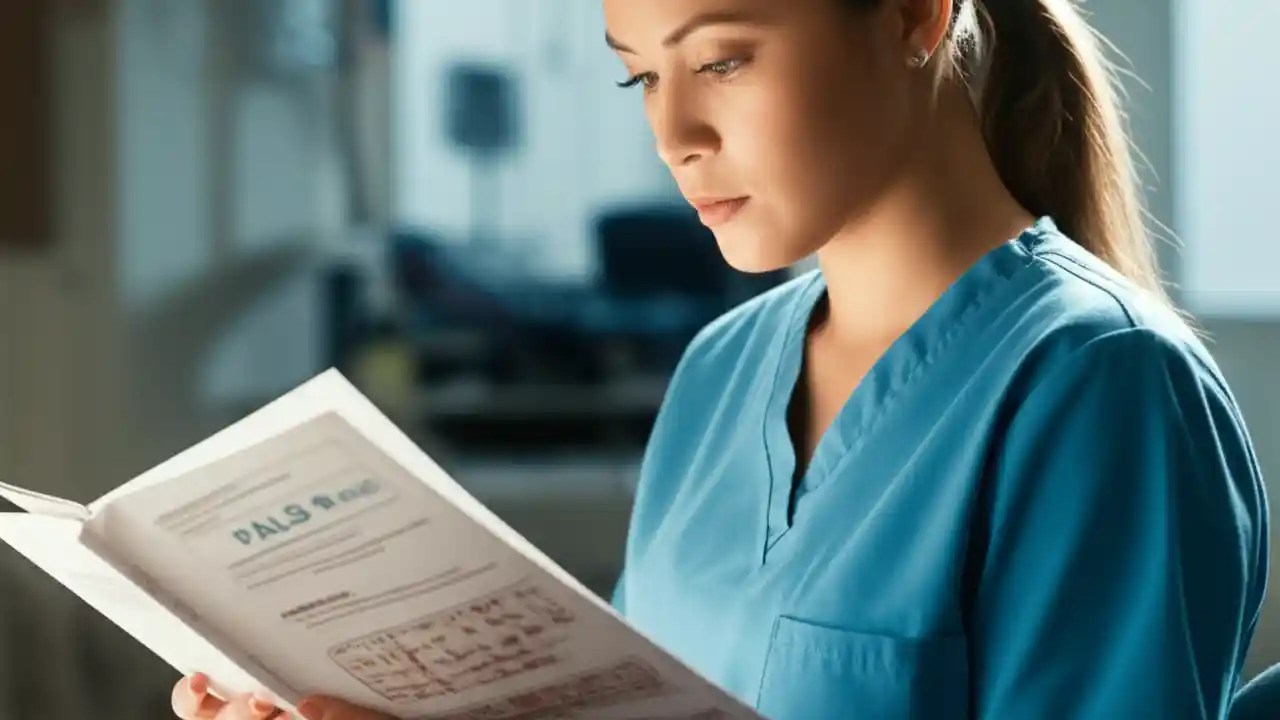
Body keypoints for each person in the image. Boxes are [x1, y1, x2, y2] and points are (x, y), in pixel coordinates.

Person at [171, 0, 1270, 718]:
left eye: (723, 59)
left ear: (912, 18)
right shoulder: (720, 368)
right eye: (638, 77)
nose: (673, 133)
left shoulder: (1097, 385)